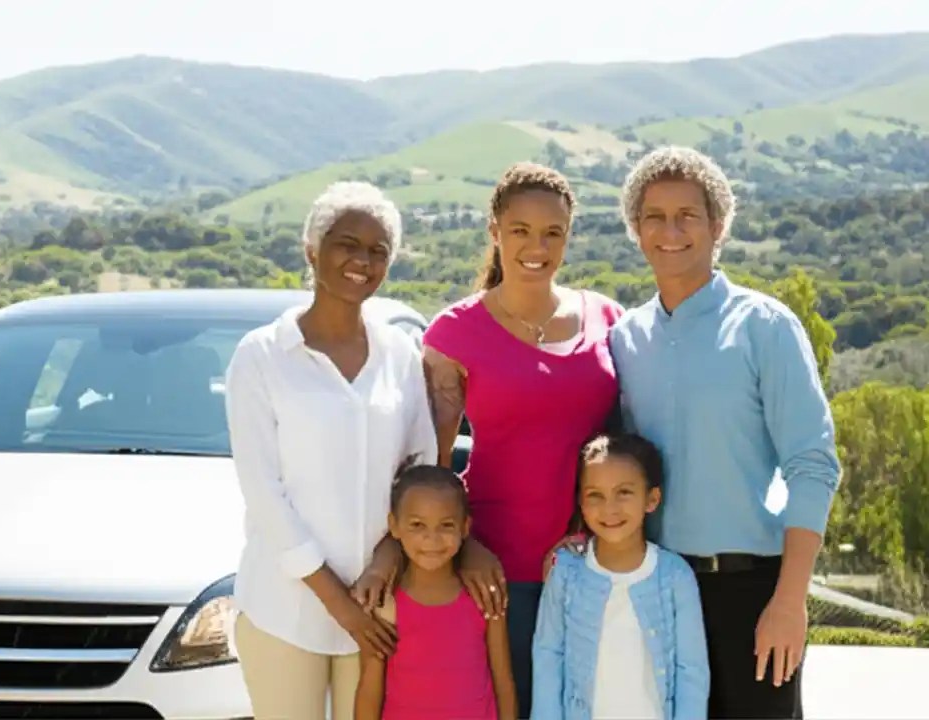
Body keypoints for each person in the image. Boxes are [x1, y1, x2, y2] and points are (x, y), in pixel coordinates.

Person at [359, 161, 625, 718]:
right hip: (497, 572)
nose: (537, 246)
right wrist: (467, 546)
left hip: (595, 564)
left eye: (553, 232)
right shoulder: (455, 332)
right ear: (495, 232)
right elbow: (428, 469)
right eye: (521, 230)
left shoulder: (606, 317)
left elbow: (627, 444)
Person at [610, 146, 842, 719]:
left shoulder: (766, 327)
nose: (671, 231)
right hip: (657, 591)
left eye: (687, 215)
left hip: (753, 593)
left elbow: (813, 464)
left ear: (718, 226)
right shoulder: (624, 339)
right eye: (654, 217)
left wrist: (790, 602)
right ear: (636, 230)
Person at [224, 181, 439, 720]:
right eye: (347, 243)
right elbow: (264, 494)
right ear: (311, 250)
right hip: (284, 608)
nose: (362, 261)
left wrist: (384, 563)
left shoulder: (400, 355)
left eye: (378, 251)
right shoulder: (261, 357)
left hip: (381, 606)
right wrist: (341, 606)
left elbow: (420, 478)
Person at [531, 432, 709, 720]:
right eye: (595, 495)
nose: (609, 508)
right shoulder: (565, 571)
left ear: (651, 499)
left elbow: (692, 671)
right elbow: (548, 655)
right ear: (581, 502)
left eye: (624, 493)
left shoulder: (676, 577)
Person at [355, 461, 519, 720]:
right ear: (394, 526)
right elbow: (370, 689)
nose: (432, 539)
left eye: (446, 525)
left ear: (465, 527)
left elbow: (503, 681)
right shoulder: (386, 603)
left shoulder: (483, 597)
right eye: (418, 525)